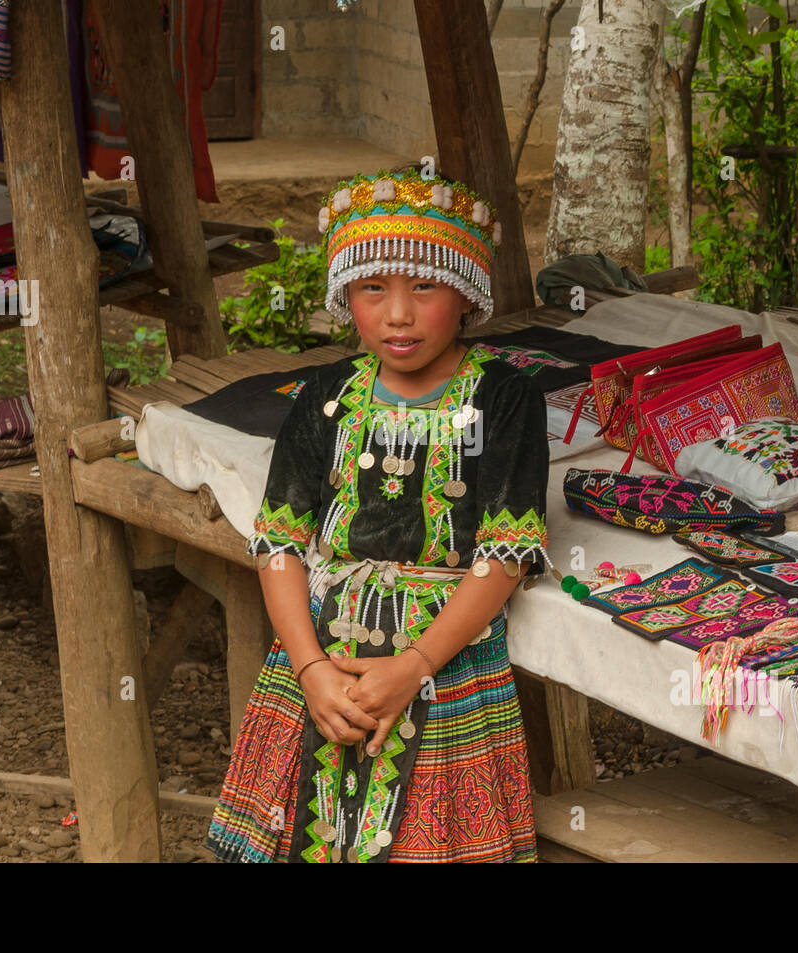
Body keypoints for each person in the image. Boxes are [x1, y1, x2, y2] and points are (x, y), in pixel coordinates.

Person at [205, 169, 552, 863]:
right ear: (346, 296)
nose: (398, 314)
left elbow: (505, 554)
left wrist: (413, 666)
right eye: (374, 289)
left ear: (466, 292)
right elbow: (280, 542)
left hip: (445, 663)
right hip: (324, 655)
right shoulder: (323, 395)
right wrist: (309, 669)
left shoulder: (506, 398)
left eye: (424, 286)